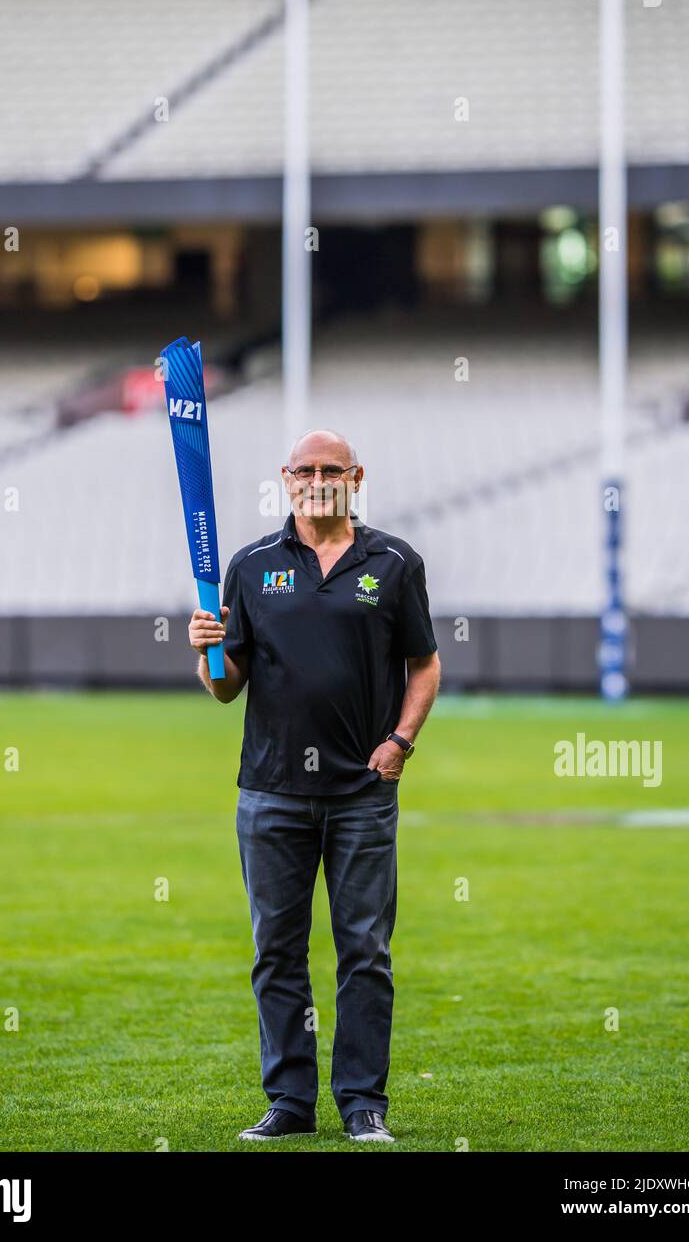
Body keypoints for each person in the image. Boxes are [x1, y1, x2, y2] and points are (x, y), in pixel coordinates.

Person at [188, 428, 440, 1144]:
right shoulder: (250, 565)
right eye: (307, 469)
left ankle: (364, 1104)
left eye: (333, 468)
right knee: (278, 952)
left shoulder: (393, 563)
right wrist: (206, 651)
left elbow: (425, 664)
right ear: (286, 478)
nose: (319, 478)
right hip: (270, 793)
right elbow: (224, 689)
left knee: (365, 950)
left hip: (362, 792)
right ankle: (289, 1103)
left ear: (356, 477)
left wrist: (400, 742)